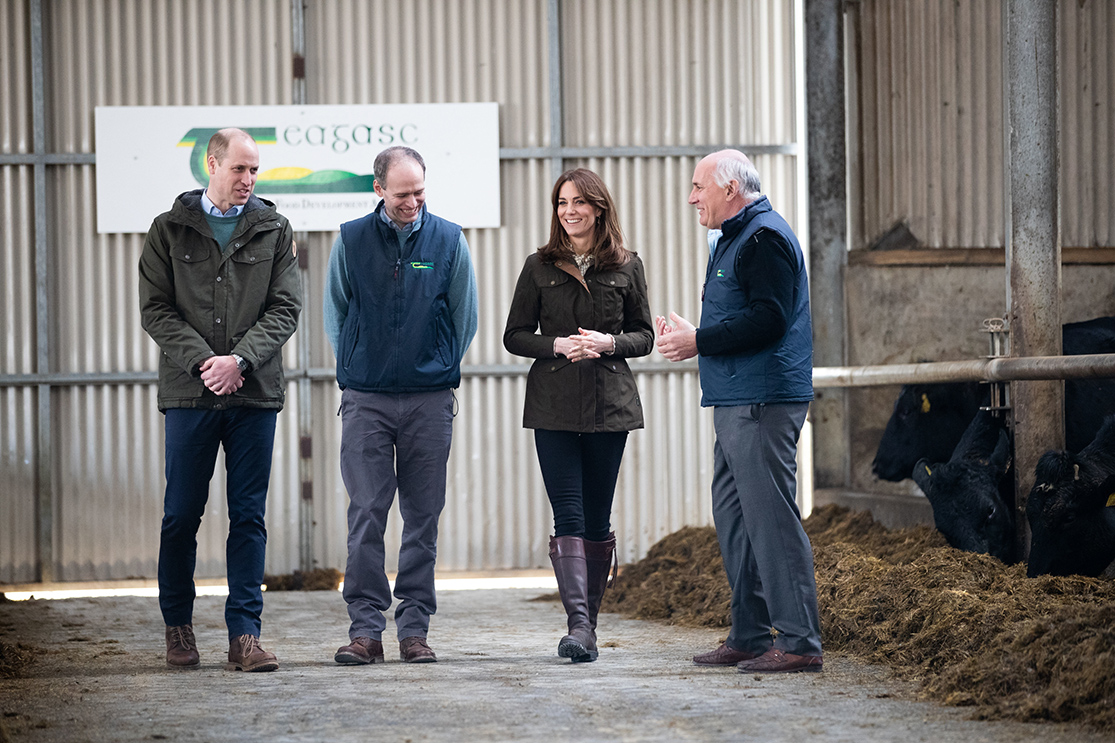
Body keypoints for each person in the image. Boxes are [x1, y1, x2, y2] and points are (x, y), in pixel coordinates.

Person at [138, 128, 302, 672]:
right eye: (239, 169)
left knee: (248, 517)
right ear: (211, 165)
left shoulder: (274, 229)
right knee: (181, 514)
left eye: (255, 170)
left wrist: (240, 362)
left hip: (252, 395)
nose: (248, 180)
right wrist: (206, 364)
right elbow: (156, 309)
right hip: (190, 395)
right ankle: (178, 629)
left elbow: (285, 308)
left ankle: (245, 637)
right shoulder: (168, 230)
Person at [656, 150, 823, 673]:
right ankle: (749, 633)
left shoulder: (764, 238)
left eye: (699, 186)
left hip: (762, 400)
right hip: (735, 398)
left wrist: (698, 340)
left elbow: (770, 319)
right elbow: (744, 312)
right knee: (735, 517)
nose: (691, 197)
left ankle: (798, 642)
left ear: (730, 188)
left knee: (771, 520)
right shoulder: (736, 238)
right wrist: (697, 330)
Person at [324, 146, 478, 665]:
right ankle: (366, 630)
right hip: (365, 399)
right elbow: (337, 313)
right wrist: (358, 360)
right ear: (378, 190)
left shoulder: (448, 238)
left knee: (422, 516)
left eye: (420, 192)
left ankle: (414, 629)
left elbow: (465, 317)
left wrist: (434, 364)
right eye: (402, 193)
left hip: (429, 400)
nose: (413, 201)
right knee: (367, 513)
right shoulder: (349, 240)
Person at [504, 168, 653, 663]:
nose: (569, 211)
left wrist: (609, 343)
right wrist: (556, 344)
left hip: (610, 406)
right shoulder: (539, 265)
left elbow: (644, 336)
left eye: (579, 203)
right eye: (562, 203)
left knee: (597, 515)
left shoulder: (627, 266)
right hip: (554, 406)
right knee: (567, 511)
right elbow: (516, 335)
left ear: (599, 208)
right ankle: (579, 625)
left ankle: (587, 627)